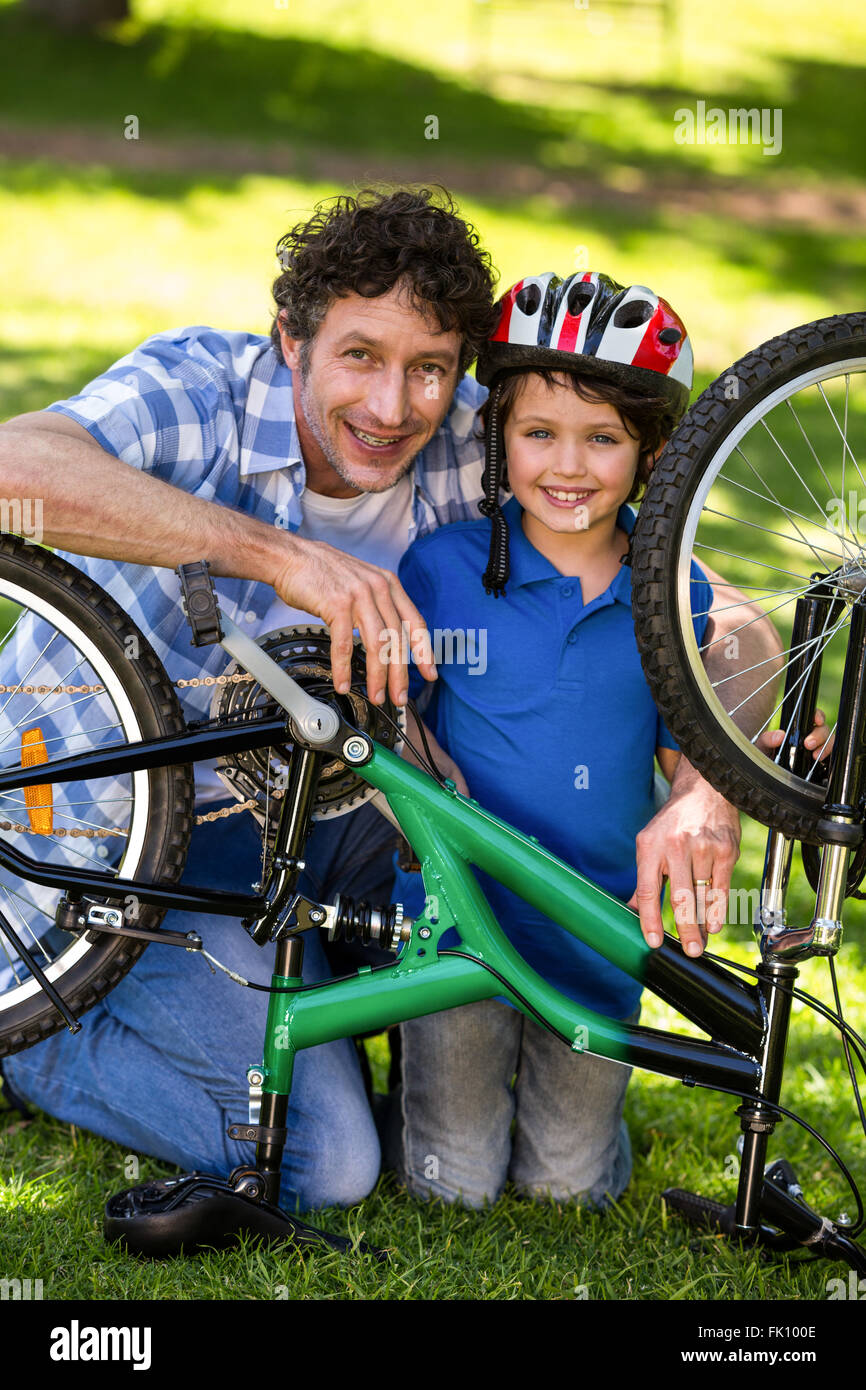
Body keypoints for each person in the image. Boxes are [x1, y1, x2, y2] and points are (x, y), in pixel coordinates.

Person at [0, 192, 776, 1213]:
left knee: (500, 839)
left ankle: (412, 1040)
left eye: (428, 368)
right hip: (115, 849)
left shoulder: (479, 443)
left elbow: (723, 620)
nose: (390, 406)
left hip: (325, 826)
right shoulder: (196, 387)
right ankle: (37, 1039)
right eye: (358, 355)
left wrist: (704, 781)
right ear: (291, 337)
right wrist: (279, 557)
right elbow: (13, 467)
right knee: (329, 1162)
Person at [385, 270, 826, 1210]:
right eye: (538, 433)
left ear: (653, 450)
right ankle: (419, 1095)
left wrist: (759, 768)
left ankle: (583, 1130)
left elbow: (685, 757)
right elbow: (396, 730)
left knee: (566, 1194)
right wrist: (440, 813)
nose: (567, 466)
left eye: (603, 439)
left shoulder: (677, 596)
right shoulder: (442, 569)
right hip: (460, 925)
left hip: (599, 932)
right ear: (499, 438)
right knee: (450, 1188)